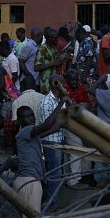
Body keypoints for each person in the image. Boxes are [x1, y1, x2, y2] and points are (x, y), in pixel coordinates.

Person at [14, 93, 66, 212]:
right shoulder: (26, 131)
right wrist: (60, 103)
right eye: (27, 117)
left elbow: (50, 129)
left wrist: (59, 122)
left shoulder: (30, 135)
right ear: (19, 121)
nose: (31, 118)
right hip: (29, 181)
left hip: (30, 180)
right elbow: (46, 125)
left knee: (28, 217)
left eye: (32, 115)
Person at [38, 75, 69, 210]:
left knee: (56, 172)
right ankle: (52, 203)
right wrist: (62, 103)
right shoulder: (47, 102)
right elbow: (47, 126)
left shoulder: (60, 99)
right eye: (62, 84)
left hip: (59, 140)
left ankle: (53, 200)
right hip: (51, 142)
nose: (65, 86)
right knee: (54, 173)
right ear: (57, 85)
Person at [63, 69, 90, 188]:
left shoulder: (81, 88)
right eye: (72, 80)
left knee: (80, 150)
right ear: (67, 80)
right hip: (70, 124)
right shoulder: (65, 90)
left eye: (76, 79)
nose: (74, 82)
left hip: (82, 122)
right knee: (75, 151)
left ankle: (80, 176)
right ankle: (73, 181)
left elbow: (88, 104)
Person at [35, 28, 65, 95]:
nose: (57, 39)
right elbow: (36, 67)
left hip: (54, 83)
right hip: (46, 84)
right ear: (49, 38)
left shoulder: (53, 48)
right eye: (55, 38)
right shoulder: (42, 49)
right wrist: (53, 63)